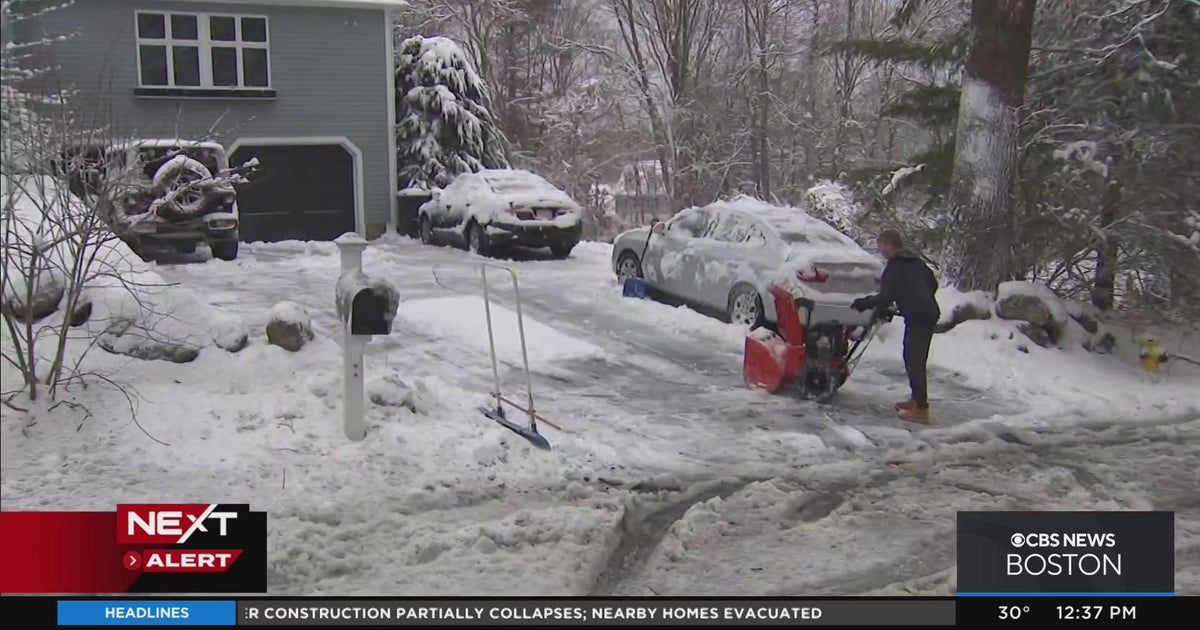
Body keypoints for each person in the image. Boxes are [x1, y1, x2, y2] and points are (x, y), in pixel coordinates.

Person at [850, 229, 941, 424]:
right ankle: (916, 399)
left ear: (890, 245)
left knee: (913, 359)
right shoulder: (915, 262)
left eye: (881, 246)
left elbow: (885, 297)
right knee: (914, 356)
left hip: (919, 315)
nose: (880, 250)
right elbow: (932, 283)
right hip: (927, 312)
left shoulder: (895, 266)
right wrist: (916, 297)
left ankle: (921, 409)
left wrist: (864, 303)